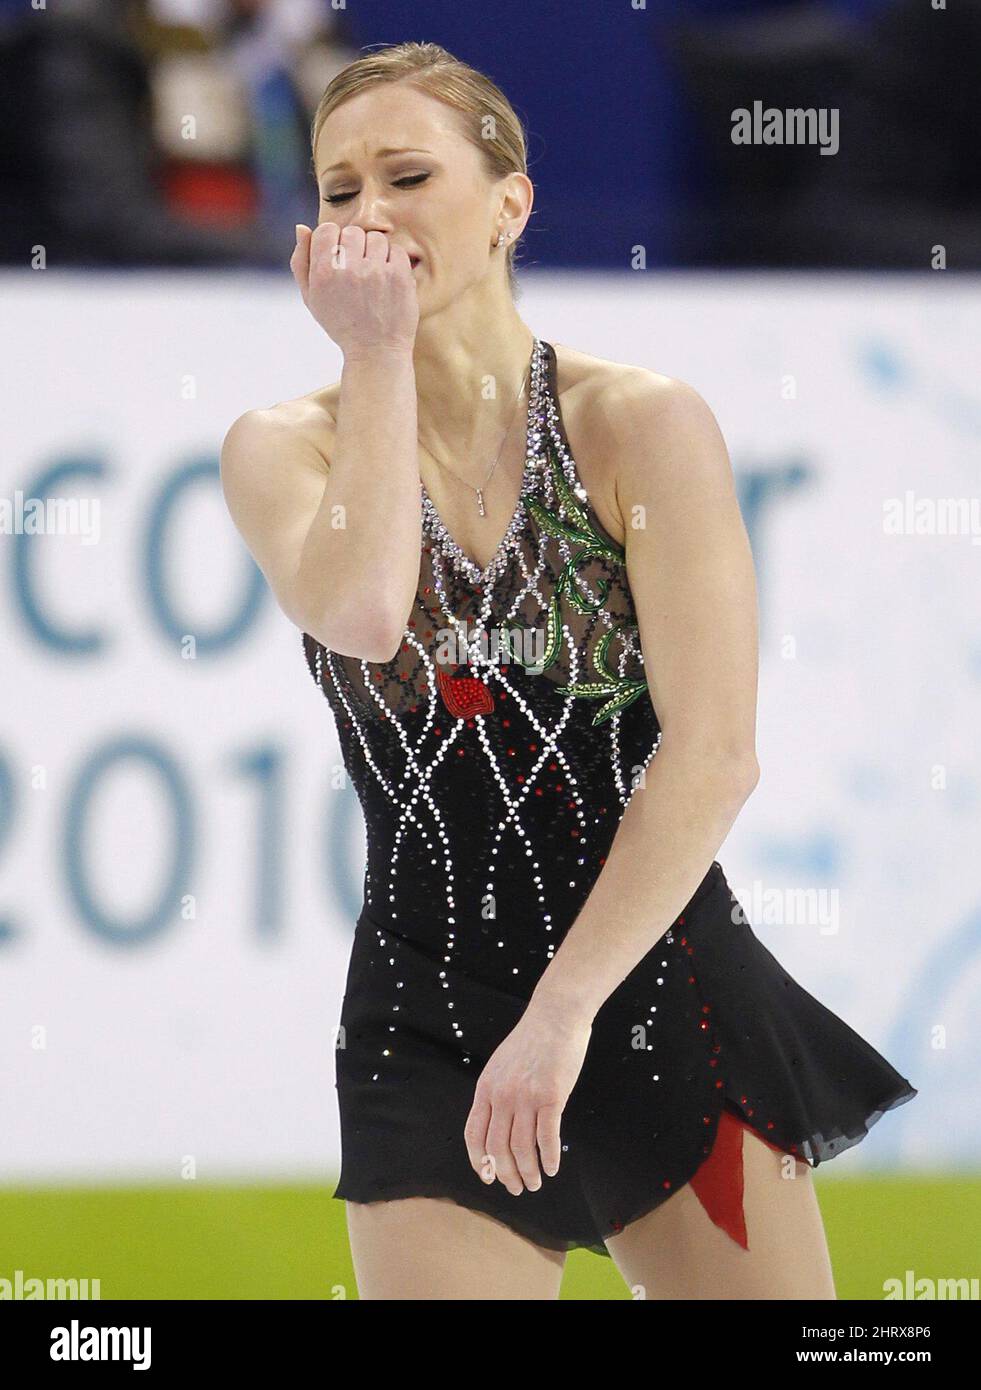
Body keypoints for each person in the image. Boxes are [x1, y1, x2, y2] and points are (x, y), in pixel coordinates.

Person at [220, 41, 917, 1301]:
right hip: (420, 1009)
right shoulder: (283, 449)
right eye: (336, 191)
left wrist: (560, 1016)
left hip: (653, 982)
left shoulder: (637, 423)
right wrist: (377, 360)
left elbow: (715, 754)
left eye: (406, 175)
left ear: (510, 205)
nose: (367, 215)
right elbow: (371, 613)